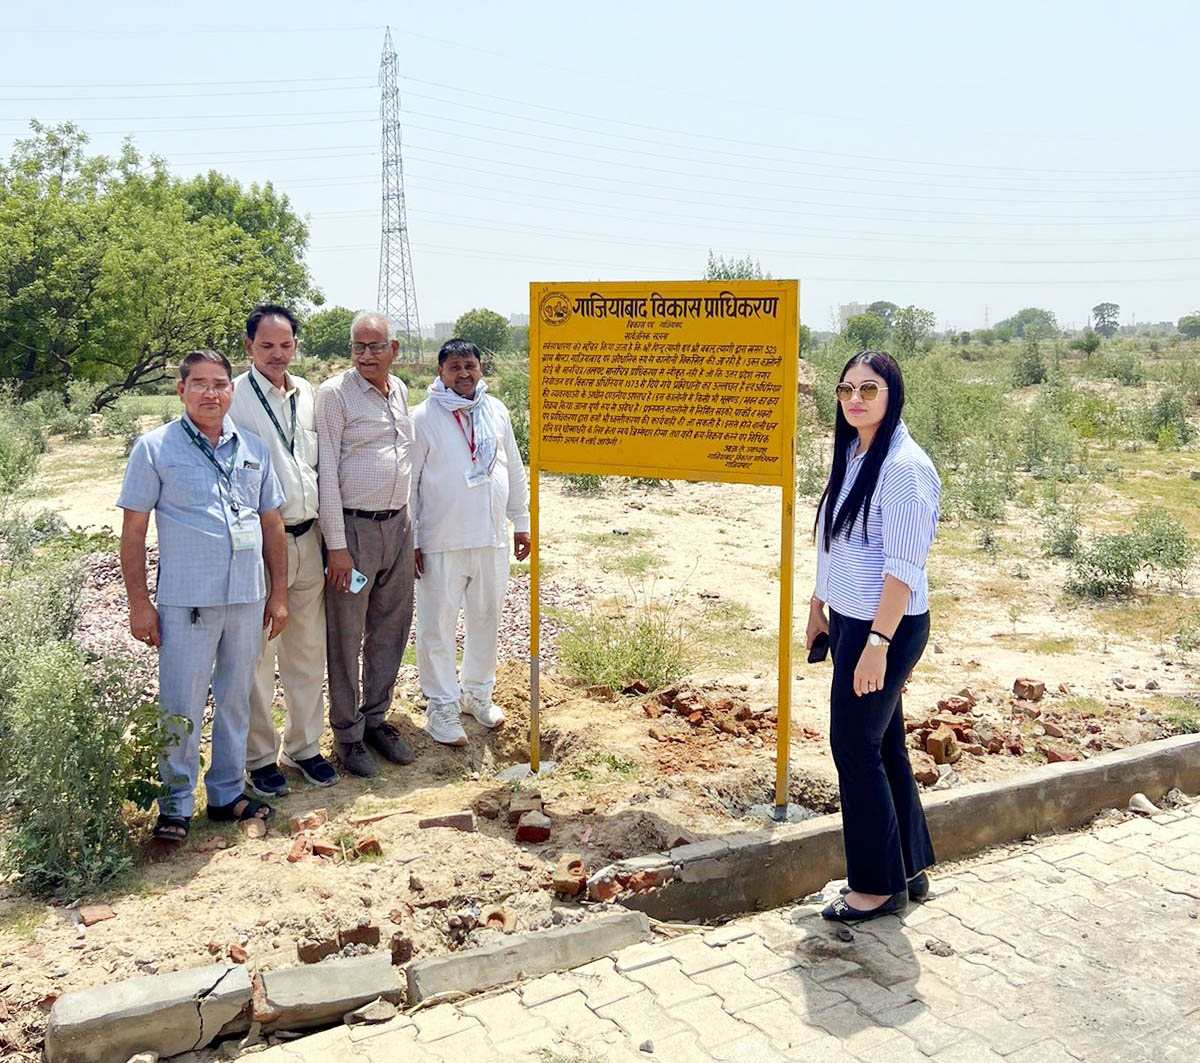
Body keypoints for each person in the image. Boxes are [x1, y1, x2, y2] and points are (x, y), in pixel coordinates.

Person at [118, 349, 288, 843]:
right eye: (200, 384)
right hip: (187, 600)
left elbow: (271, 523)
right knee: (182, 703)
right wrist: (139, 603)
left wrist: (278, 593)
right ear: (181, 390)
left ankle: (226, 793)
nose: (211, 393)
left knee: (236, 698)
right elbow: (133, 532)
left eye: (220, 384)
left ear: (231, 390)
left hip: (246, 597)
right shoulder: (154, 449)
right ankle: (174, 805)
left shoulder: (252, 447)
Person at [806, 349, 941, 922]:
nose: (855, 400)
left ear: (892, 395)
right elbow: (833, 538)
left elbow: (902, 569)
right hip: (852, 618)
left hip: (887, 625)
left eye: (869, 389)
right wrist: (819, 605)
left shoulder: (905, 468)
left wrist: (877, 646)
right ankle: (906, 868)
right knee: (882, 745)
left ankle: (876, 887)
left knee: (854, 749)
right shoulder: (856, 451)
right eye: (846, 390)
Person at [229, 305, 337, 795]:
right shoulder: (234, 396)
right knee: (257, 655)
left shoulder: (307, 393)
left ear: (296, 345)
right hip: (258, 545)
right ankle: (258, 757)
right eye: (267, 345)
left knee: (307, 650)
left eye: (286, 345)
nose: (277, 354)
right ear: (248, 346)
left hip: (308, 539)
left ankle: (304, 746)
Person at [410, 338, 530, 746]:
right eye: (455, 367)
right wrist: (412, 539)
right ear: (440, 372)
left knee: (486, 618)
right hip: (441, 539)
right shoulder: (422, 417)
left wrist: (521, 521)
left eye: (470, 366)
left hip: (491, 537)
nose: (463, 373)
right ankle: (441, 705)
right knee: (437, 625)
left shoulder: (495, 410)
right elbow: (410, 483)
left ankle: (476, 693)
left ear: (481, 368)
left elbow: (513, 467)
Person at [315, 311, 415, 777]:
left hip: (398, 526)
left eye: (375, 347)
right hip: (353, 531)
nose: (366, 355)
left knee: (391, 628)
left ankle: (376, 719)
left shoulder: (401, 390)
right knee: (346, 634)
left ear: (394, 350)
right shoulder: (335, 393)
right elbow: (326, 473)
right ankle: (347, 733)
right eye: (359, 347)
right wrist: (336, 546)